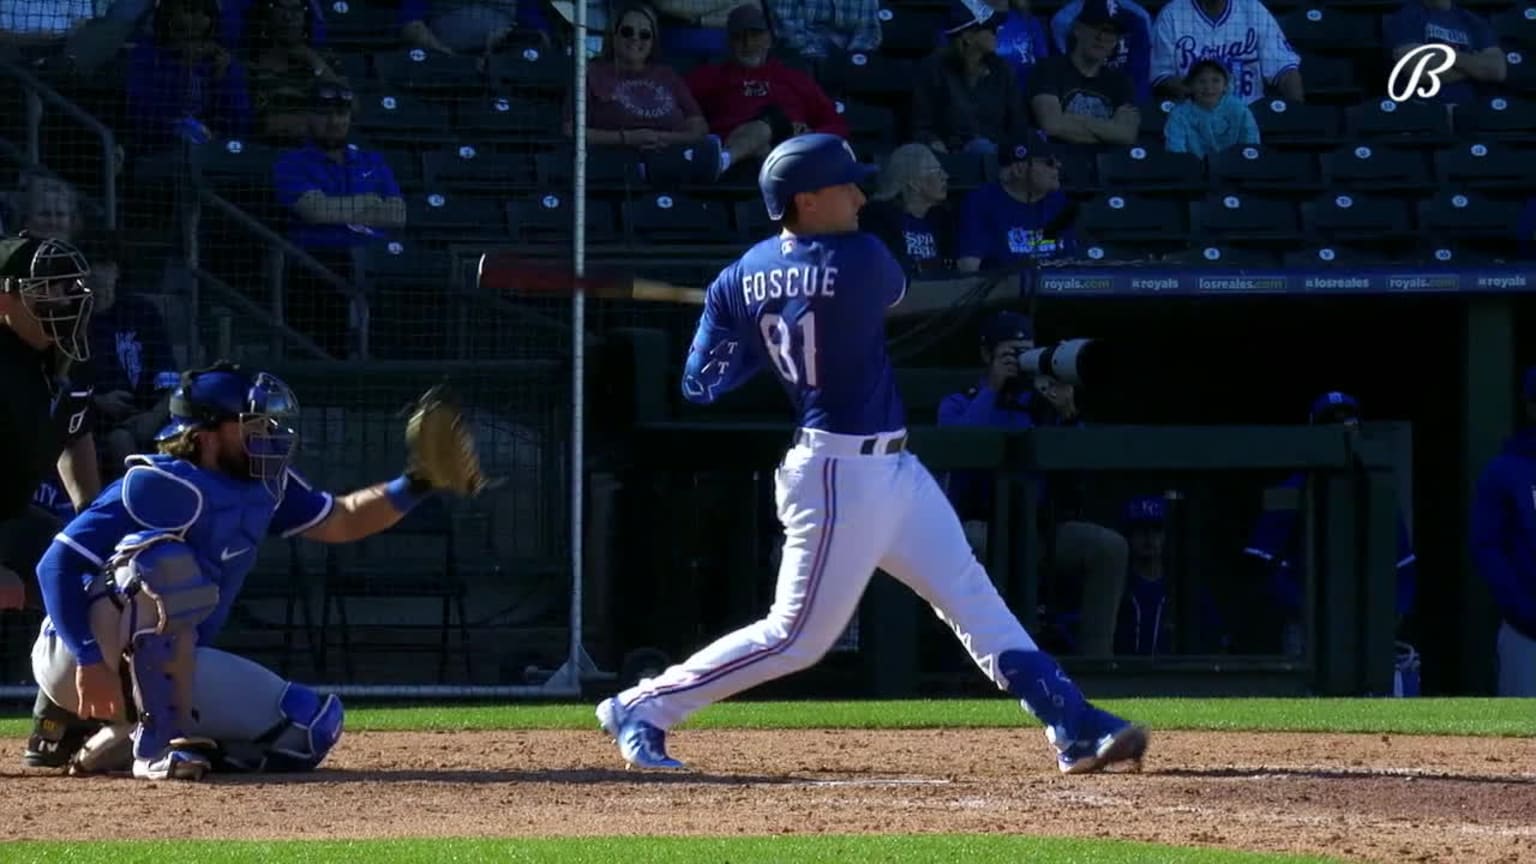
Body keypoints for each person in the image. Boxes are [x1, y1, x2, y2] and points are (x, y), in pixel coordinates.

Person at [594, 133, 1149, 775]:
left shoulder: (736, 279)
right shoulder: (861, 256)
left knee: (970, 594)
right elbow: (875, 297)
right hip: (838, 475)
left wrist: (748, 325)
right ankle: (645, 704)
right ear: (804, 199)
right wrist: (773, 312)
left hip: (892, 469)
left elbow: (702, 384)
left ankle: (1073, 724)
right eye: (845, 185)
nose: (861, 195)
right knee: (797, 637)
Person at [23, 361, 484, 779]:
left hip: (171, 670)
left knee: (310, 725)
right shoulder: (158, 483)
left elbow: (344, 518)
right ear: (204, 436)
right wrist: (85, 659)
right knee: (168, 567)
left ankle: (118, 741)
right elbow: (56, 564)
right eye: (251, 425)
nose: (267, 433)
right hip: (81, 657)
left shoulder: (267, 485)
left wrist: (419, 482)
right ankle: (149, 745)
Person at [936, 312, 1127, 657]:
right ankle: (975, 657)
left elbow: (1082, 468)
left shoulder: (1043, 404)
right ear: (987, 355)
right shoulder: (961, 402)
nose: (1020, 362)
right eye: (1011, 353)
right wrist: (992, 390)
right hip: (983, 526)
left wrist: (1068, 414)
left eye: (1026, 351)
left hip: (1041, 531)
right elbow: (960, 446)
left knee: (1108, 547)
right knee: (972, 542)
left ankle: (1096, 661)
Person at [0, 234, 100, 616]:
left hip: (13, 514)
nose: (67, 298)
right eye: (49, 288)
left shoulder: (69, 350)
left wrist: (91, 518)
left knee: (98, 575)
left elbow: (75, 432)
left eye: (70, 286)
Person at [1470, 367, 1536, 696]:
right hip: (1527, 633)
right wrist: (1525, 611)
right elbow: (1488, 548)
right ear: (1530, 406)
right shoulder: (1506, 471)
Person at [911, 0, 1029, 156]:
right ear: (968, 36)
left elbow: (1017, 123)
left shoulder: (1002, 69)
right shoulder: (933, 69)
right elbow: (921, 126)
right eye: (991, 29)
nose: (997, 32)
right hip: (949, 156)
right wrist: (934, 142)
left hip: (998, 156)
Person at [955, 131, 1077, 272]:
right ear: (1019, 169)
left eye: (1057, 159)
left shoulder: (1059, 201)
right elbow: (968, 269)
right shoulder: (981, 202)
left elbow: (1071, 261)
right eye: (1049, 162)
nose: (1058, 165)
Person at [859, 142, 957, 276]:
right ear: (914, 183)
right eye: (936, 171)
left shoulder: (943, 220)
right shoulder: (878, 220)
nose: (945, 176)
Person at [1162, 58, 1259, 158]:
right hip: (1192, 171)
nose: (1208, 87)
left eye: (1215, 80)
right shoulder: (1178, 115)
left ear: (1225, 85)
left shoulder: (1240, 110)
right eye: (1201, 81)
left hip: (1235, 171)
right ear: (1190, 86)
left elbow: (1250, 146)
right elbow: (1176, 152)